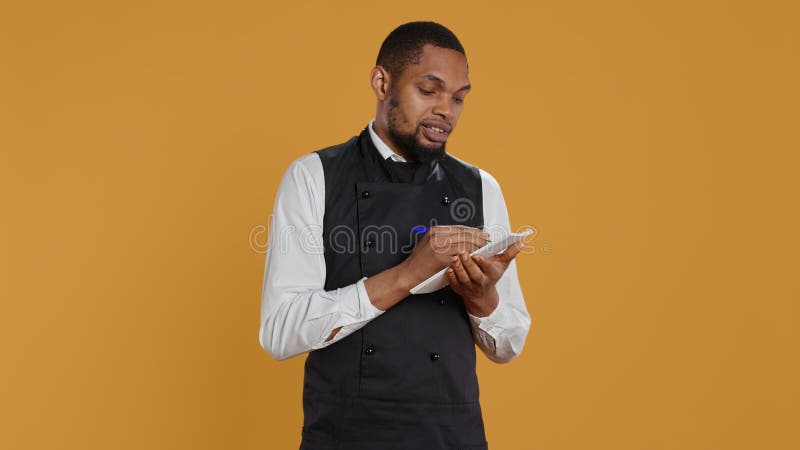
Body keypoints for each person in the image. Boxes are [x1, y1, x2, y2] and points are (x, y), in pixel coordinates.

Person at [259, 21, 531, 450]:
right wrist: (408, 274)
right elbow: (279, 332)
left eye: (459, 98)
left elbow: (509, 345)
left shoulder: (481, 188)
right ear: (382, 82)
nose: (447, 110)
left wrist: (483, 300)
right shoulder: (314, 177)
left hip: (452, 436)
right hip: (348, 434)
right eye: (429, 91)